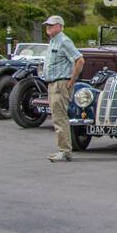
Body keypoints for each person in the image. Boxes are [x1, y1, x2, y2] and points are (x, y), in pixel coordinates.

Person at [42, 15, 84, 163]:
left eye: (52, 25)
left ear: (60, 26)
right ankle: (63, 150)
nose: (48, 27)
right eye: (47, 25)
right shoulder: (53, 41)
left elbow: (79, 59)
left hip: (60, 83)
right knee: (57, 117)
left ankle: (65, 151)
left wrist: (71, 81)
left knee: (60, 117)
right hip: (53, 83)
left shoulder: (64, 41)